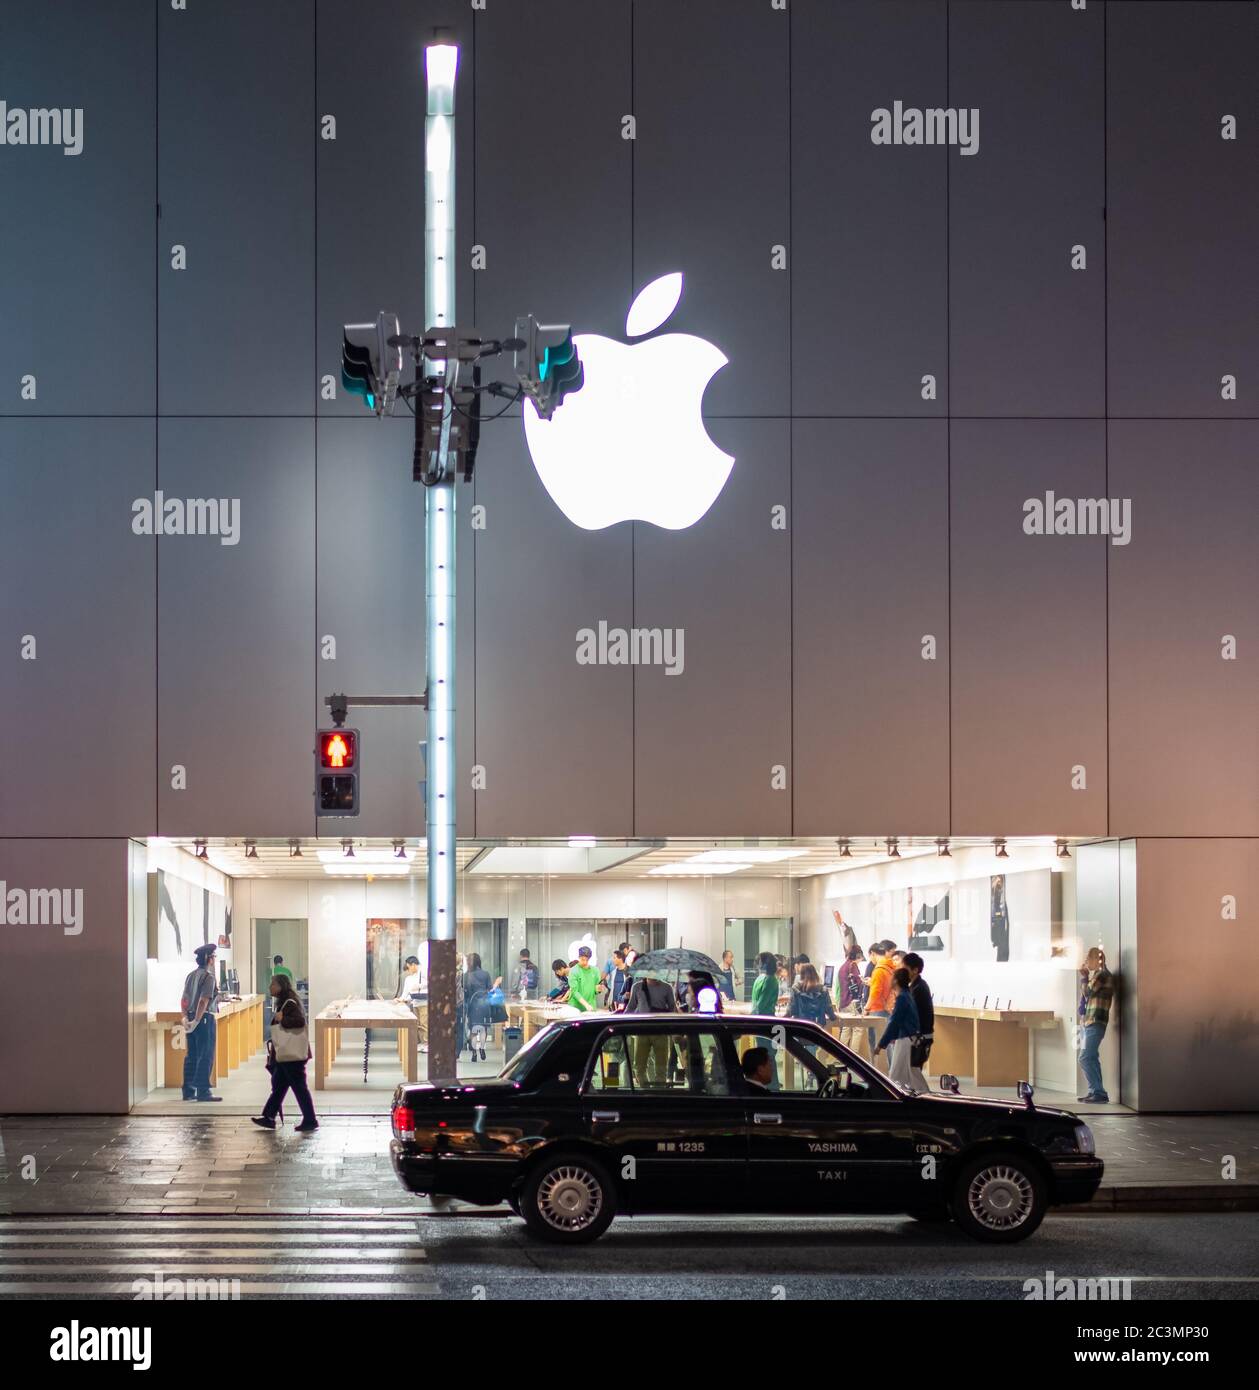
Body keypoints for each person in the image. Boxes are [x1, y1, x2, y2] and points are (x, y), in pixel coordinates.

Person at [252, 975, 317, 1132]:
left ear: (281, 986)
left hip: (291, 1056)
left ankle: (310, 1120)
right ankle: (269, 1117)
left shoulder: (289, 1003)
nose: (270, 987)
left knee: (299, 1088)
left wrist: (282, 1019)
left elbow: (300, 1021)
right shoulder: (286, 1001)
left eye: (273, 984)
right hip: (286, 1055)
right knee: (280, 1086)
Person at [181, 943, 222, 1102]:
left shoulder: (190, 976)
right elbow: (203, 1001)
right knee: (205, 1054)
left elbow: (184, 1000)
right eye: (213, 957)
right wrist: (198, 1020)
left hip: (190, 1017)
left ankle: (188, 1091)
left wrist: (185, 1018)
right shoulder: (208, 977)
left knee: (191, 1055)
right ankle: (203, 1091)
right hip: (204, 1019)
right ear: (209, 959)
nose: (214, 959)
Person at [1077, 946, 1116, 1103]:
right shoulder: (1098, 975)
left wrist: (1084, 978)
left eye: (1088, 959)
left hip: (1096, 1022)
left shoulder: (1102, 975)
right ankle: (1096, 1091)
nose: (1086, 962)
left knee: (1085, 1057)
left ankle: (1098, 1092)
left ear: (1096, 959)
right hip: (1090, 1022)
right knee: (1091, 1057)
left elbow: (1088, 992)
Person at [874, 967, 920, 1088]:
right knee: (910, 1075)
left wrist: (880, 1045)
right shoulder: (907, 996)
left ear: (895, 981)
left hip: (905, 1039)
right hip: (911, 1038)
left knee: (896, 1076)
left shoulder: (902, 998)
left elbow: (894, 1024)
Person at [903, 952, 934, 1093]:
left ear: (915, 970)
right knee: (912, 1071)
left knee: (913, 1069)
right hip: (917, 1037)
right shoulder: (915, 986)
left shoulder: (918, 988)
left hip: (919, 1038)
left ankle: (925, 1097)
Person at [863, 942, 895, 1066]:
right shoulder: (890, 967)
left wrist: (866, 1008)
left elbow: (875, 993)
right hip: (888, 1008)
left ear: (873, 954)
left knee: (877, 1042)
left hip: (877, 1009)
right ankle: (891, 1072)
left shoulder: (878, 970)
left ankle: (878, 1072)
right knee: (887, 1042)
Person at [834, 944, 866, 1053]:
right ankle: (854, 1059)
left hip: (844, 1001)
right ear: (858, 955)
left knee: (846, 1029)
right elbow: (858, 984)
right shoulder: (853, 966)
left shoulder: (843, 967)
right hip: (852, 1002)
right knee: (858, 1029)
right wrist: (864, 982)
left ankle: (841, 1058)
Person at [463, 952, 493, 1062]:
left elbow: (464, 991)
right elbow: (490, 989)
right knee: (483, 1028)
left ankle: (474, 1052)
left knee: (473, 1030)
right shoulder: (485, 974)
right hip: (484, 1004)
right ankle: (482, 1048)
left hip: (472, 1004)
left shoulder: (466, 975)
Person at [789, 963, 836, 1027]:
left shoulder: (796, 988)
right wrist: (833, 1017)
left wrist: (782, 1019)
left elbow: (791, 1009)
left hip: (800, 1026)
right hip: (818, 1026)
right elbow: (828, 1008)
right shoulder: (823, 989)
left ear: (801, 975)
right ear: (815, 974)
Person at [567, 945, 601, 1013]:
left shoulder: (595, 971)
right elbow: (574, 991)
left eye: (587, 960)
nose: (585, 962)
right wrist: (586, 1005)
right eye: (582, 959)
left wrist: (598, 990)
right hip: (575, 1008)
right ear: (579, 957)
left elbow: (595, 990)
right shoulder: (573, 971)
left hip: (591, 1007)